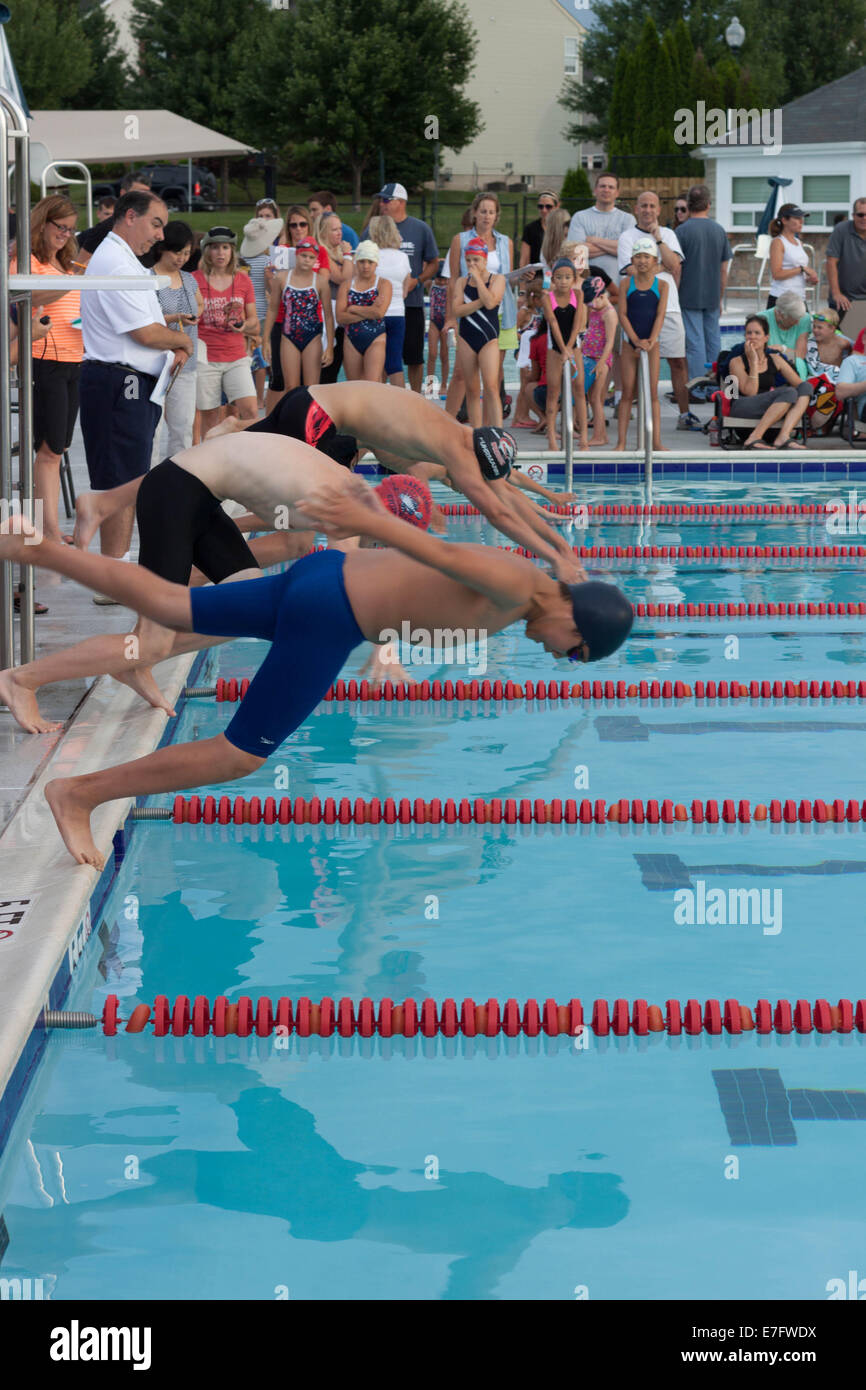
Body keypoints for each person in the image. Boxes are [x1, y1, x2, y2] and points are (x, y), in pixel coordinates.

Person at [0, 492, 633, 868]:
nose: (560, 661)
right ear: (576, 624)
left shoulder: (528, 595)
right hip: (330, 613)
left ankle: (42, 550)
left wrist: (384, 644)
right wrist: (366, 518)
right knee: (238, 755)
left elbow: (426, 593)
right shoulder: (520, 587)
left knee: (173, 609)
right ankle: (79, 793)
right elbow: (437, 553)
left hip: (326, 579)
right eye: (574, 654)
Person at [0, 434, 422, 734]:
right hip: (176, 495)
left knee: (254, 608)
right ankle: (23, 679)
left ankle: (137, 662)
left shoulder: (356, 492)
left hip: (199, 497)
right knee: (152, 639)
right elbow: (346, 592)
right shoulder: (347, 508)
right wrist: (385, 646)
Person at [77, 382, 585, 578]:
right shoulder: (456, 451)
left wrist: (548, 519)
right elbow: (497, 510)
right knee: (299, 528)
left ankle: (106, 504)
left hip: (319, 410)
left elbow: (503, 491)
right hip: (318, 417)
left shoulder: (463, 440)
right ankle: (197, 568)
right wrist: (557, 555)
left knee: (221, 470)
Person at [78, 190, 192, 570]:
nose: (160, 236)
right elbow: (144, 333)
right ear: (129, 216)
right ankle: (115, 572)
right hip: (118, 382)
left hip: (125, 382)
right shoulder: (116, 263)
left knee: (127, 481)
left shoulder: (124, 260)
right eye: (155, 224)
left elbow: (149, 327)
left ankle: (118, 568)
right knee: (121, 484)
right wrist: (180, 340)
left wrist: (169, 338)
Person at [9, 195, 82, 547]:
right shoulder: (26, 261)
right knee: (48, 448)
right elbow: (22, 297)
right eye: (60, 227)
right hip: (43, 357)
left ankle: (49, 527)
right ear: (44, 223)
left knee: (59, 447)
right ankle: (48, 530)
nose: (66, 235)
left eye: (70, 229)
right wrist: (71, 284)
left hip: (73, 357)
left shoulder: (65, 264)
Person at [618, 189, 698, 432]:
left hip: (670, 307)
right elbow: (631, 271)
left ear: (659, 210)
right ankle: (643, 416)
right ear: (636, 209)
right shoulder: (626, 237)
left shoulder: (669, 235)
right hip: (638, 309)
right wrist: (659, 266)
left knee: (678, 362)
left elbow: (674, 265)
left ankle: (685, 414)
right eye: (643, 206)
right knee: (640, 364)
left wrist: (659, 240)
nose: (648, 210)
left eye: (652, 206)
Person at [445, 193, 519, 418]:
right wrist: (450, 318)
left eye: (491, 212)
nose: (487, 216)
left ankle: (490, 430)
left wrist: (524, 276)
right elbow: (453, 279)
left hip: (500, 313)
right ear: (474, 213)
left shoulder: (506, 242)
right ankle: (446, 423)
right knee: (460, 374)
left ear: (497, 216)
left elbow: (507, 278)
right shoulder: (461, 240)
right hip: (468, 314)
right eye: (483, 211)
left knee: (493, 379)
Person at [192, 227, 259, 437]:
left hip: (236, 355)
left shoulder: (243, 280)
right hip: (207, 357)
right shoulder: (194, 279)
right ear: (206, 251)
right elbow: (189, 321)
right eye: (215, 248)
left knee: (250, 410)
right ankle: (209, 462)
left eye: (225, 248)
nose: (220, 253)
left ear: (232, 251)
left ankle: (249, 456)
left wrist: (243, 325)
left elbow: (255, 323)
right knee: (210, 416)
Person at [375, 182, 439, 392]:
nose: (382, 204)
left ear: (400, 202)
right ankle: (382, 401)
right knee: (382, 356)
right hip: (380, 307)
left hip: (410, 304)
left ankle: (416, 397)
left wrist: (417, 281)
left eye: (386, 200)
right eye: (381, 200)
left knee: (414, 357)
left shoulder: (420, 229)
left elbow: (433, 262)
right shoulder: (373, 228)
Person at [263, 204, 328, 410]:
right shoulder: (280, 252)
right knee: (279, 380)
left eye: (302, 224)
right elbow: (272, 296)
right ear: (288, 228)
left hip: (311, 326)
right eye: (293, 225)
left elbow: (325, 284)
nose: (298, 229)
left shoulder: (319, 251)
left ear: (309, 226)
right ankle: (273, 423)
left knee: (311, 386)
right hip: (283, 323)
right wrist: (270, 276)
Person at [150, 221, 203, 458]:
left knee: (183, 429)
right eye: (177, 252)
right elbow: (143, 320)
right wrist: (175, 317)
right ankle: (146, 479)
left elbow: (199, 303)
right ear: (163, 248)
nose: (181, 258)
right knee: (153, 429)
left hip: (186, 364)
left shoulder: (189, 279)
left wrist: (194, 316)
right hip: (156, 363)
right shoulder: (148, 278)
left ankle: (175, 481)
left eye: (186, 253)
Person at [676, 184, 731, 398]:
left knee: (695, 343)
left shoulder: (682, 231)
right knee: (713, 340)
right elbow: (724, 269)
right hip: (711, 294)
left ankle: (697, 390)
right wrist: (720, 296)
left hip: (688, 295)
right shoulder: (719, 231)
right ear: (709, 205)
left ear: (689, 206)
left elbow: (676, 268)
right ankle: (714, 387)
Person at [729, 314, 813, 449]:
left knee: (806, 387)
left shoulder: (775, 359)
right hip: (743, 407)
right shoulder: (736, 362)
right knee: (788, 392)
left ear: (766, 338)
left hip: (769, 413)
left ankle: (783, 436)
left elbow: (800, 385)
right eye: (749, 333)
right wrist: (753, 362)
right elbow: (750, 392)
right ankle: (754, 437)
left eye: (757, 333)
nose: (752, 336)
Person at [616, 238, 669, 451]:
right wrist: (635, 340)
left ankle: (655, 442)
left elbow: (660, 315)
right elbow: (622, 314)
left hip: (651, 344)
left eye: (646, 256)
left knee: (652, 393)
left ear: (655, 260)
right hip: (630, 344)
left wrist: (650, 340)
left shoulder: (662, 285)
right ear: (632, 260)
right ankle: (621, 443)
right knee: (628, 392)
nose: (642, 261)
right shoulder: (626, 284)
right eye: (638, 257)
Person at [453, 237, 505, 428]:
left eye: (476, 260)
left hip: (488, 339)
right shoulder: (460, 282)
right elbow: (457, 311)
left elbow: (491, 303)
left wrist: (478, 281)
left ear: (485, 261)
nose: (472, 264)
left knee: (491, 387)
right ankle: (477, 433)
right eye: (469, 260)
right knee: (472, 389)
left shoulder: (498, 279)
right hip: (467, 338)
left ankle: (498, 431)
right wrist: (480, 302)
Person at [542, 257, 587, 451]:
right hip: (554, 350)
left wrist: (569, 349)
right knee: (553, 393)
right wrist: (562, 349)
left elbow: (577, 323)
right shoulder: (547, 298)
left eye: (567, 277)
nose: (563, 281)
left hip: (574, 347)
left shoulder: (578, 294)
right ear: (553, 279)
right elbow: (552, 323)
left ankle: (584, 438)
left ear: (574, 279)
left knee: (579, 391)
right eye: (559, 277)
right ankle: (552, 438)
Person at [240, 208, 284, 407]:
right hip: (262, 313)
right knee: (262, 359)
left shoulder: (243, 260)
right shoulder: (268, 260)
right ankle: (259, 398)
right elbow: (271, 291)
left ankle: (253, 397)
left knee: (252, 358)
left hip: (248, 313)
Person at [367, 214, 412, 388]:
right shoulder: (402, 257)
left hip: (376, 314)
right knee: (394, 364)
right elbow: (405, 290)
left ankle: (379, 405)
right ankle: (400, 405)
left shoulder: (371, 258)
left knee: (376, 364)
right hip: (398, 314)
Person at [336, 240, 391, 381]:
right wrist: (370, 310)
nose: (366, 266)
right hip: (351, 340)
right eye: (362, 261)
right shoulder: (346, 285)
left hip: (376, 338)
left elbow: (379, 313)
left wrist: (353, 308)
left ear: (376, 263)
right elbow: (340, 318)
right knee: (354, 386)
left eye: (370, 262)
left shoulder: (384, 284)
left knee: (372, 385)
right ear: (356, 262)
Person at [567, 171, 635, 283]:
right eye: (602, 186)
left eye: (611, 187)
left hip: (619, 288)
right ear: (595, 190)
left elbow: (628, 251)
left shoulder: (628, 219)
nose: (606, 190)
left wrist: (593, 240)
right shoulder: (580, 217)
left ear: (617, 192)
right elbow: (576, 252)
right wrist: (615, 246)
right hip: (586, 286)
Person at [76, 172, 152, 264]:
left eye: (146, 194)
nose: (143, 199)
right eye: (137, 193)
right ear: (123, 193)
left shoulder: (150, 228)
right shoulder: (106, 228)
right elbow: (80, 267)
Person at [794, 309, 850, 435]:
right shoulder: (810, 344)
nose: (815, 330)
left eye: (820, 327)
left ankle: (822, 425)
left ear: (832, 329)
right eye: (814, 327)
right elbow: (800, 360)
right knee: (817, 387)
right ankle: (816, 425)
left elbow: (853, 359)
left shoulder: (843, 343)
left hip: (836, 381)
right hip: (816, 380)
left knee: (834, 390)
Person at [315, 210, 354, 384]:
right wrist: (347, 255)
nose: (340, 233)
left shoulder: (337, 252)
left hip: (340, 314)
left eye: (340, 229)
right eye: (334, 230)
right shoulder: (321, 251)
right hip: (326, 314)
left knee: (335, 364)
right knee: (325, 365)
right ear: (323, 233)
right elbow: (342, 278)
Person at [582, 278, 617, 447]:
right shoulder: (594, 310)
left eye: (594, 301)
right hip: (589, 356)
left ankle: (599, 436)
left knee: (596, 399)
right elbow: (590, 331)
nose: (592, 306)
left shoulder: (609, 313)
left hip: (600, 361)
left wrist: (601, 363)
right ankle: (602, 435)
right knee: (591, 398)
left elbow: (610, 341)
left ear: (603, 295)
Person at [767, 204, 818, 309]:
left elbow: (797, 274)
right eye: (797, 218)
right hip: (782, 299)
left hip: (800, 298)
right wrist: (802, 269)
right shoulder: (778, 242)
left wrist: (810, 279)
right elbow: (777, 274)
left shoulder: (799, 242)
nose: (801, 221)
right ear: (784, 220)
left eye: (802, 218)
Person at [825, 197, 866, 317]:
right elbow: (831, 262)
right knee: (841, 336)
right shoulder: (841, 230)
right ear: (853, 215)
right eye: (860, 214)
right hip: (844, 300)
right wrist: (836, 293)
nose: (864, 218)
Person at [764, 292, 812, 376]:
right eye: (794, 319)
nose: (798, 323)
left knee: (799, 362)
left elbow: (800, 354)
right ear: (780, 315)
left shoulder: (804, 318)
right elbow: (760, 354)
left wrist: (783, 349)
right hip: (769, 363)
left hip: (794, 363)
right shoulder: (762, 320)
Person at [426, 258, 450, 395]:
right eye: (439, 280)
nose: (441, 282)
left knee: (444, 356)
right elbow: (426, 269)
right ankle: (429, 385)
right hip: (434, 322)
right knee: (432, 354)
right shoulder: (431, 285)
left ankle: (444, 385)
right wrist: (437, 261)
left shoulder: (450, 286)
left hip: (446, 323)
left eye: (444, 280)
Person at [520, 192, 560, 268]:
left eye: (548, 207)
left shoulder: (564, 228)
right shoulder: (530, 229)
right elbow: (524, 259)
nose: (544, 210)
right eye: (540, 206)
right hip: (536, 276)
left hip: (560, 275)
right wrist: (525, 275)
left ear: (557, 207)